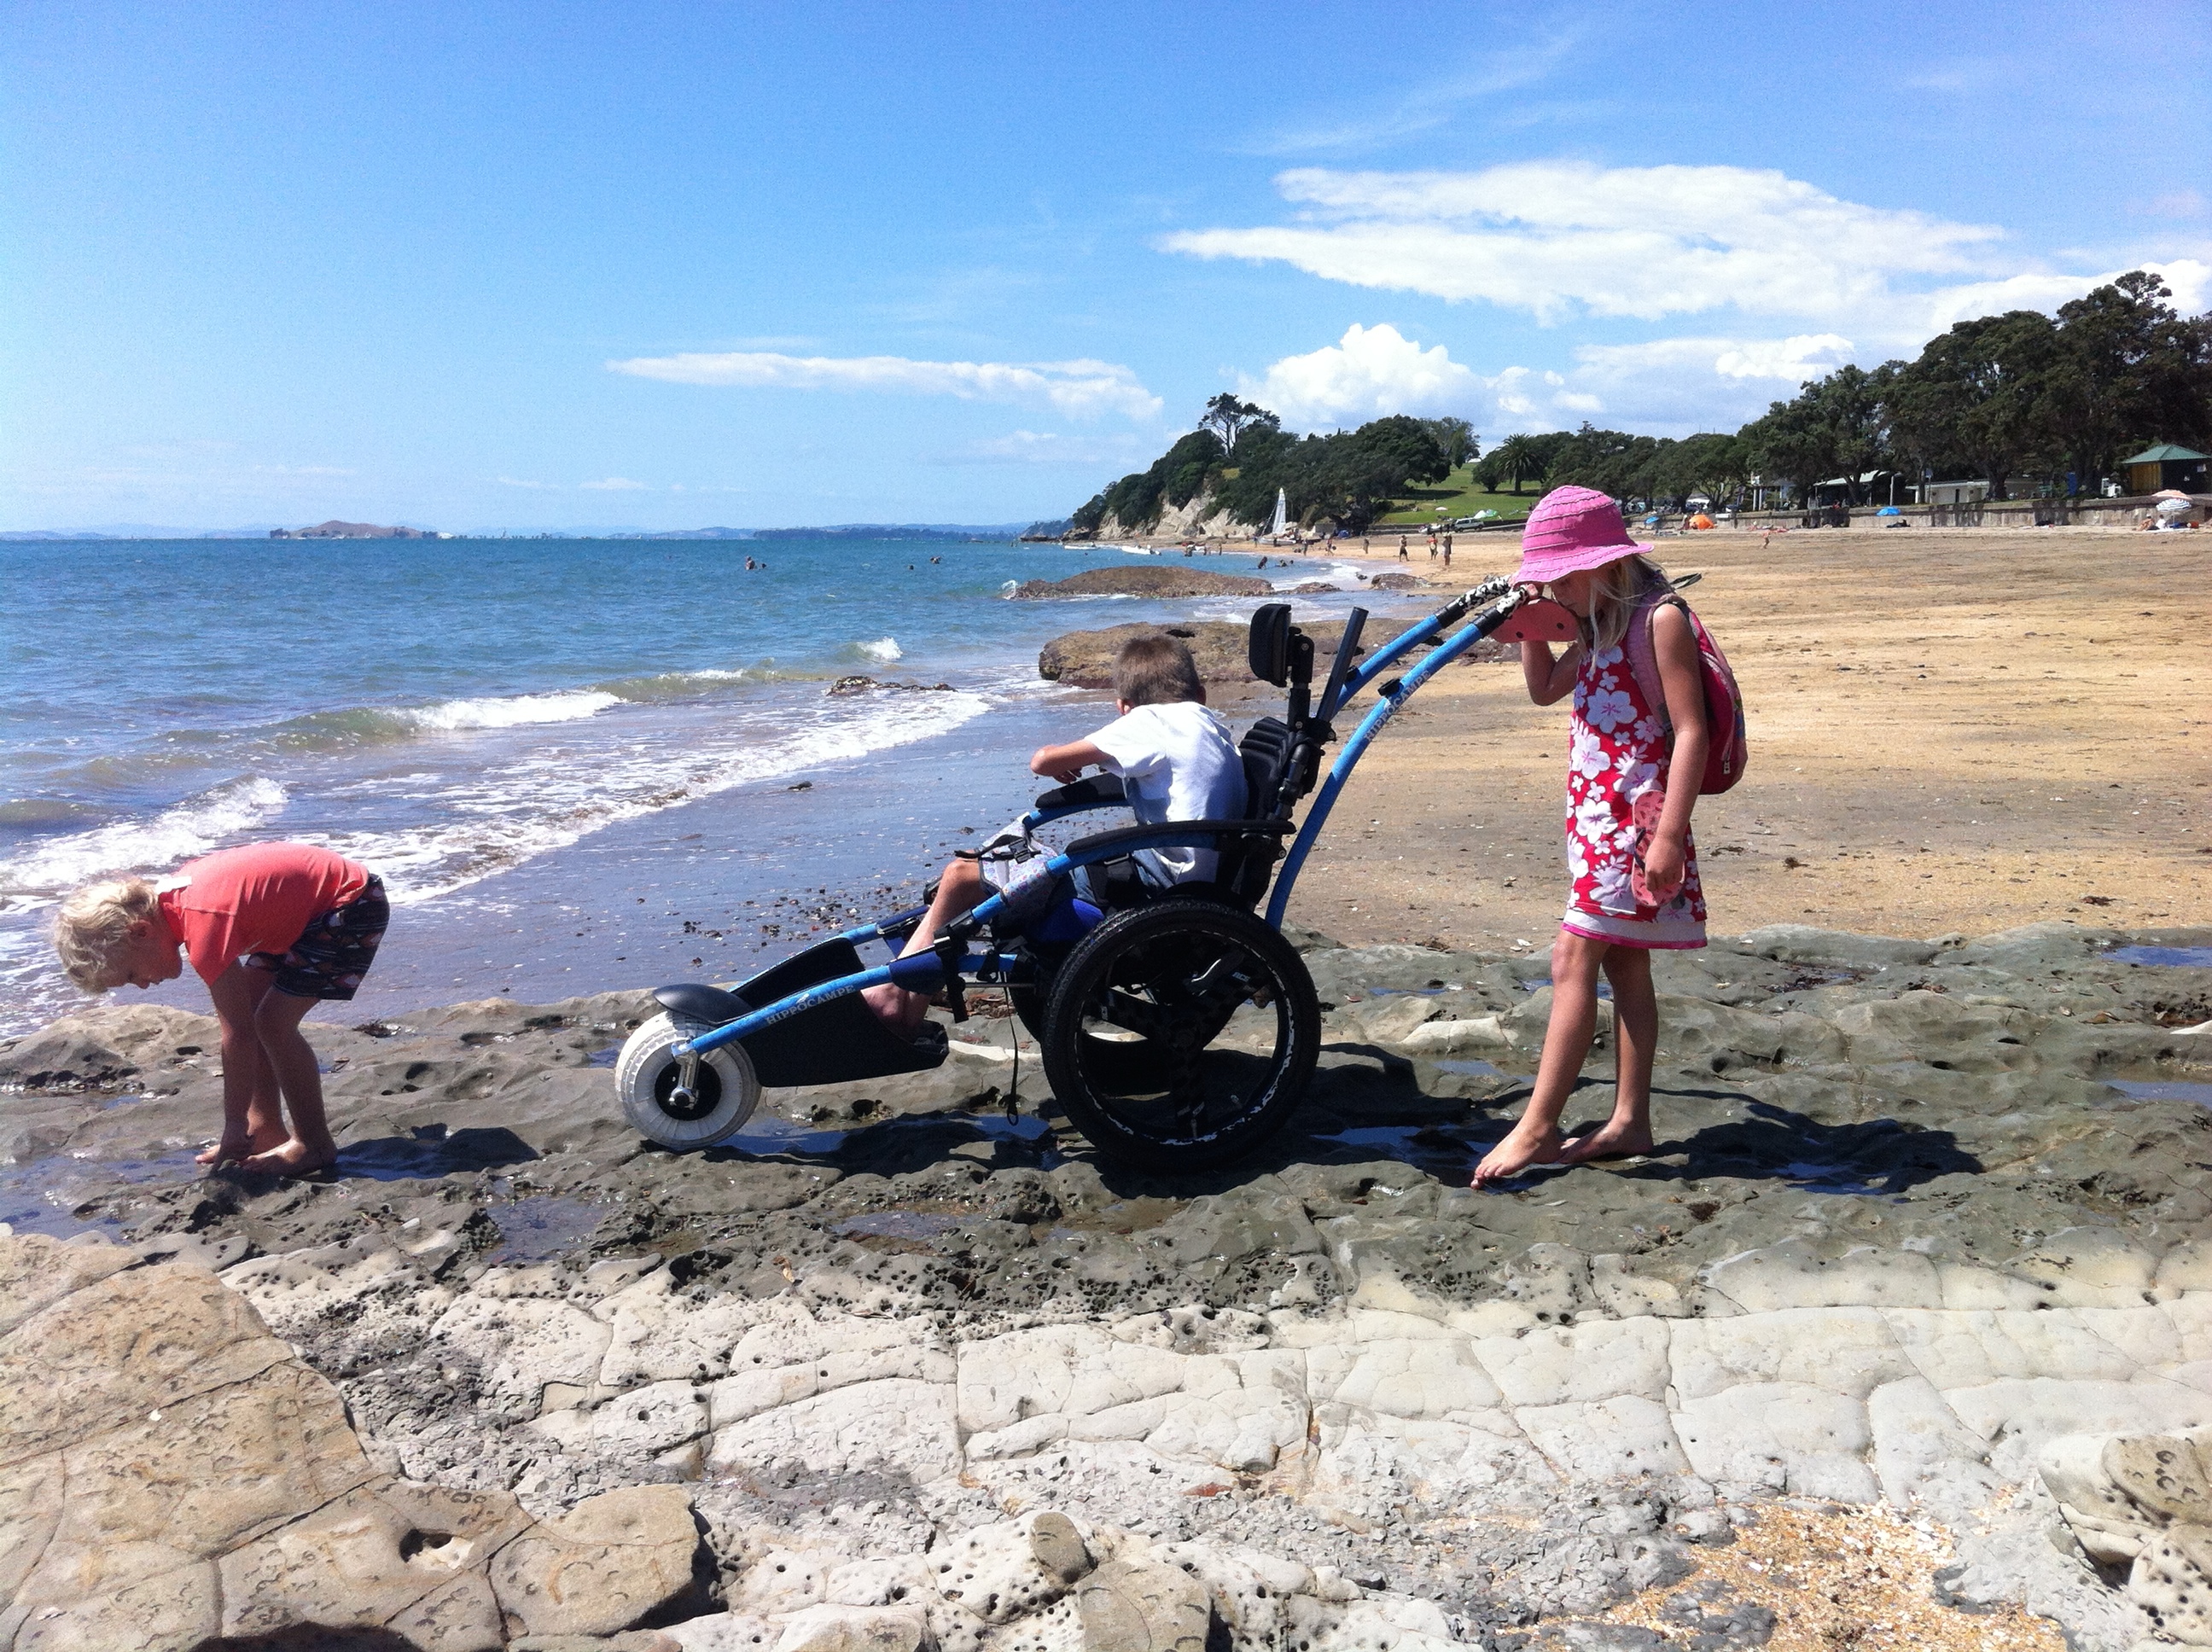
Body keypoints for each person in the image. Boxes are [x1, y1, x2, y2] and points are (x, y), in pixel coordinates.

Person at [1473, 486, 1710, 1187]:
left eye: (1564, 577)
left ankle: (1539, 1127)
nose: (1557, 588)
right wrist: (1529, 624)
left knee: (1572, 957)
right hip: (1595, 821)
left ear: (1606, 566)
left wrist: (1668, 837)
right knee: (1625, 965)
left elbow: (1691, 731)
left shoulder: (1657, 620)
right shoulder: (1601, 626)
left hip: (1637, 828)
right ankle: (1631, 1120)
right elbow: (1544, 688)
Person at [862, 633, 1244, 1034]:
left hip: (1148, 895)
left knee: (962, 876)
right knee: (982, 877)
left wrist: (1075, 757)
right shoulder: (1211, 727)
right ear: (1200, 692)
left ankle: (894, 999)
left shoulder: (1152, 721)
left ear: (1123, 708)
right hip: (1193, 887)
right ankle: (906, 994)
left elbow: (1043, 761)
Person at [51, 843, 388, 1175]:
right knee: (257, 1012)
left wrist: (232, 1123)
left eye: (130, 975)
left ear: (140, 932)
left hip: (348, 905)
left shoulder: (203, 928)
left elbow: (237, 1034)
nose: (141, 985)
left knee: (272, 1024)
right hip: (302, 914)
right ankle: (265, 1129)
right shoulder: (173, 900)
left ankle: (313, 1145)